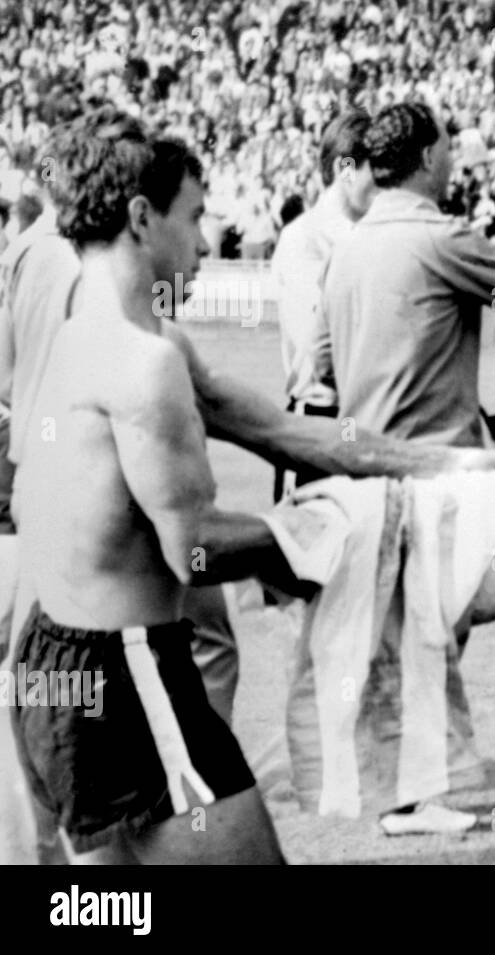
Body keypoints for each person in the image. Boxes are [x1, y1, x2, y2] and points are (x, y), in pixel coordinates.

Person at [8, 111, 298, 864]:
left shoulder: (80, 331)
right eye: (196, 218)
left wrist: (404, 469)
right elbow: (193, 550)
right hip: (127, 668)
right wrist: (327, 531)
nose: (205, 243)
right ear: (142, 218)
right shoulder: (143, 360)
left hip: (55, 661)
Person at [318, 101, 495, 833]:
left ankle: (407, 785)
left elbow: (325, 365)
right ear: (426, 158)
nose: (455, 160)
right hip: (433, 468)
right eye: (450, 148)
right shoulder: (436, 235)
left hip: (368, 465)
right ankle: (414, 796)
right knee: (431, 629)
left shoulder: (350, 245)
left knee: (416, 626)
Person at [269, 108, 377, 498]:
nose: (386, 187)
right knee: (311, 552)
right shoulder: (305, 239)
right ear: (345, 169)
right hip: (320, 422)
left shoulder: (371, 237)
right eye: (377, 172)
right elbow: (317, 351)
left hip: (369, 421)